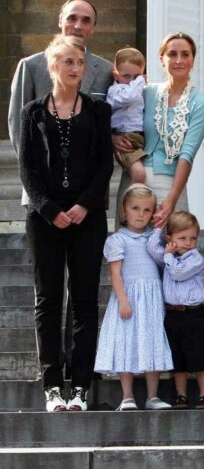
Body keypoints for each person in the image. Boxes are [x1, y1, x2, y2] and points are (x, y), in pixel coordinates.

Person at [18, 34, 113, 412]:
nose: (76, 69)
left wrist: (84, 206)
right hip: (44, 220)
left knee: (85, 302)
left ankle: (81, 386)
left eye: (80, 62)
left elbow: (104, 164)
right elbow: (27, 168)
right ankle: (52, 386)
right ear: (53, 66)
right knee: (48, 300)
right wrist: (49, 209)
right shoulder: (33, 113)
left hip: (87, 218)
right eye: (68, 61)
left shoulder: (98, 112)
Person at [114, 31, 204, 227]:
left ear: (193, 60)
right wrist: (112, 138)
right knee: (128, 246)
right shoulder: (145, 92)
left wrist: (172, 198)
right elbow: (118, 119)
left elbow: (187, 154)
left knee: (171, 250)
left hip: (171, 183)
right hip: (134, 179)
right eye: (172, 54)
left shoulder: (200, 103)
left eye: (185, 54)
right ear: (161, 60)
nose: (178, 60)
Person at [94, 184, 173, 411]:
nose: (141, 214)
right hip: (128, 297)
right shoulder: (118, 240)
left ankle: (152, 396)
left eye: (147, 210)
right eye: (135, 208)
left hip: (152, 299)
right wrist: (123, 300)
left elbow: (162, 262)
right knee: (125, 342)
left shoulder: (155, 238)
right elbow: (115, 273)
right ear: (124, 211)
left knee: (153, 341)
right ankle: (127, 395)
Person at [8, 0, 113, 157]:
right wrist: (31, 169)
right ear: (60, 22)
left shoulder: (107, 70)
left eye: (86, 21)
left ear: (92, 28)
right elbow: (18, 124)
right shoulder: (31, 66)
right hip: (43, 171)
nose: (78, 26)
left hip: (89, 173)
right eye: (72, 18)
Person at [147, 211, 204, 408]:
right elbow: (151, 247)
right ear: (171, 239)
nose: (188, 242)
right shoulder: (168, 255)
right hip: (173, 314)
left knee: (200, 356)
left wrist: (168, 256)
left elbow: (177, 272)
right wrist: (160, 225)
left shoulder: (196, 259)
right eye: (182, 238)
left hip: (195, 314)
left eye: (192, 238)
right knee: (178, 358)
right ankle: (181, 395)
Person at [107, 47, 148, 183]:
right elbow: (129, 97)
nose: (131, 81)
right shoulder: (116, 91)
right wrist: (139, 81)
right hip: (125, 140)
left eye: (136, 76)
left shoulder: (138, 89)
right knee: (139, 174)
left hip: (140, 138)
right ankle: (132, 202)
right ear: (116, 75)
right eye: (126, 76)